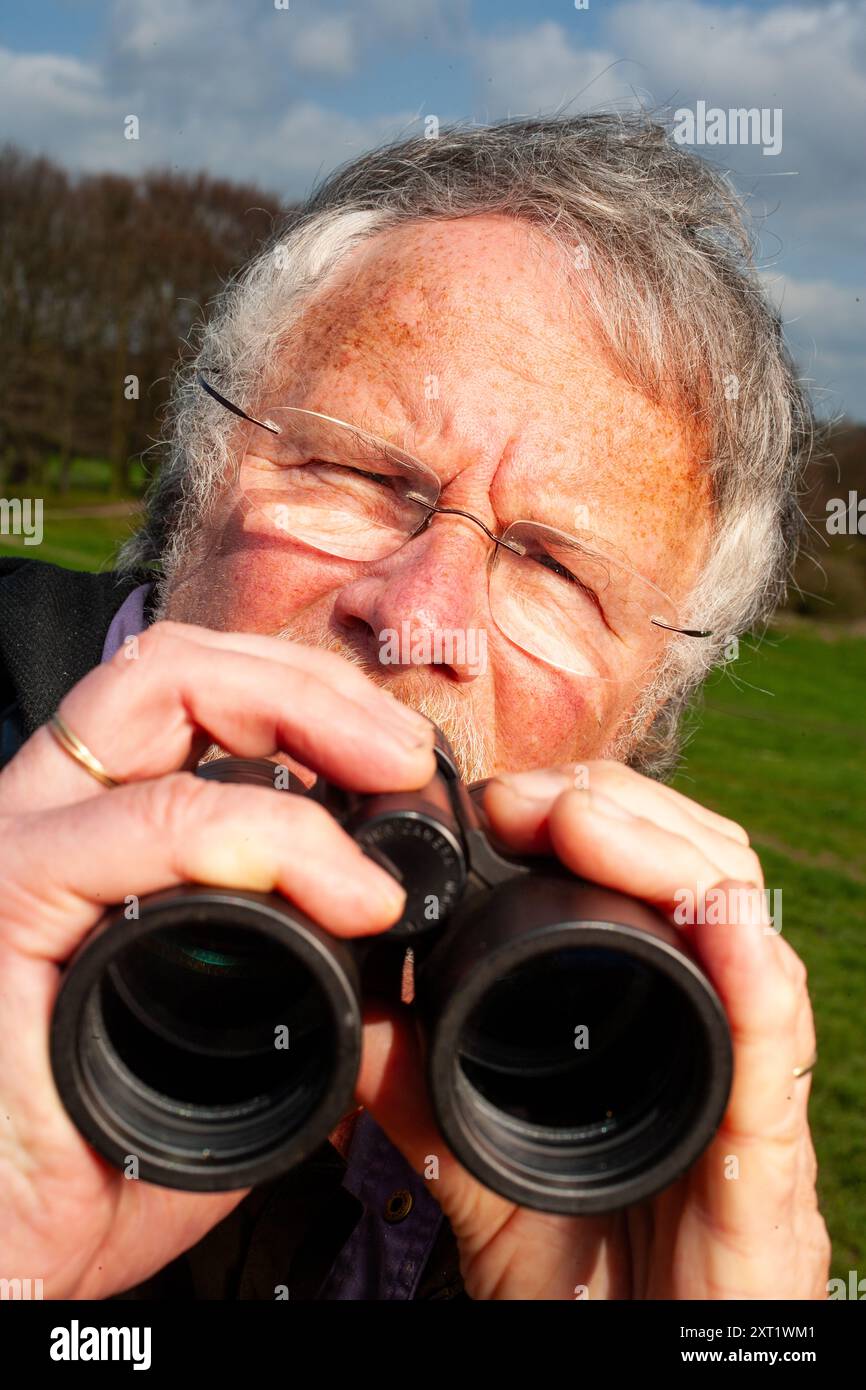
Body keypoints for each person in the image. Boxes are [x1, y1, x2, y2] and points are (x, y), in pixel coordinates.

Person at [0, 115, 829, 1300]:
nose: (418, 615)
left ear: (646, 718)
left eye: (552, 566)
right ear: (197, 474)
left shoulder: (617, 1074)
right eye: (362, 476)